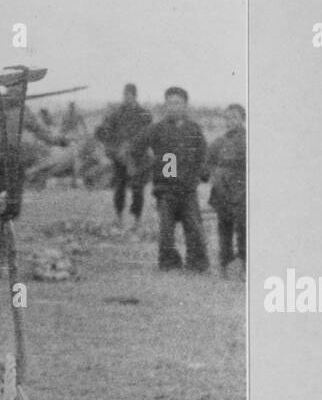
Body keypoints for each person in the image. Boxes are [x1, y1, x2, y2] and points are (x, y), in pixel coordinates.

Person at [0, 91, 56, 269]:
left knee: (3, 215)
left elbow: (44, 134)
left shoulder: (3, 107)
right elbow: (44, 134)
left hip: (3, 164)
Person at [140, 86, 209, 272]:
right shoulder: (157, 129)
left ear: (185, 105)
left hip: (187, 189)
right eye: (169, 103)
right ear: (165, 105)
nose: (173, 107)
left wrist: (200, 173)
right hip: (166, 189)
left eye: (177, 103)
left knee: (194, 227)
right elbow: (138, 148)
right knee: (166, 232)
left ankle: (197, 264)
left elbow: (203, 154)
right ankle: (169, 264)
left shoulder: (193, 129)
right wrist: (149, 166)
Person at [94, 83, 152, 232]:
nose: (127, 98)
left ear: (135, 96)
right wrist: (113, 149)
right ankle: (119, 217)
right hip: (119, 158)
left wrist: (136, 148)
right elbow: (103, 132)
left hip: (138, 159)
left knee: (138, 190)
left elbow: (148, 135)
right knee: (119, 189)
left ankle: (136, 220)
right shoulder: (116, 114)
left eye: (130, 95)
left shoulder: (144, 115)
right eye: (125, 95)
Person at [206, 103, 247, 273]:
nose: (230, 122)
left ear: (242, 119)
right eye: (227, 118)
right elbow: (207, 163)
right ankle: (224, 263)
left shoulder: (248, 141)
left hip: (241, 193)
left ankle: (245, 264)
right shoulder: (219, 142)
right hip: (222, 192)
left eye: (234, 118)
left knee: (243, 228)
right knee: (224, 228)